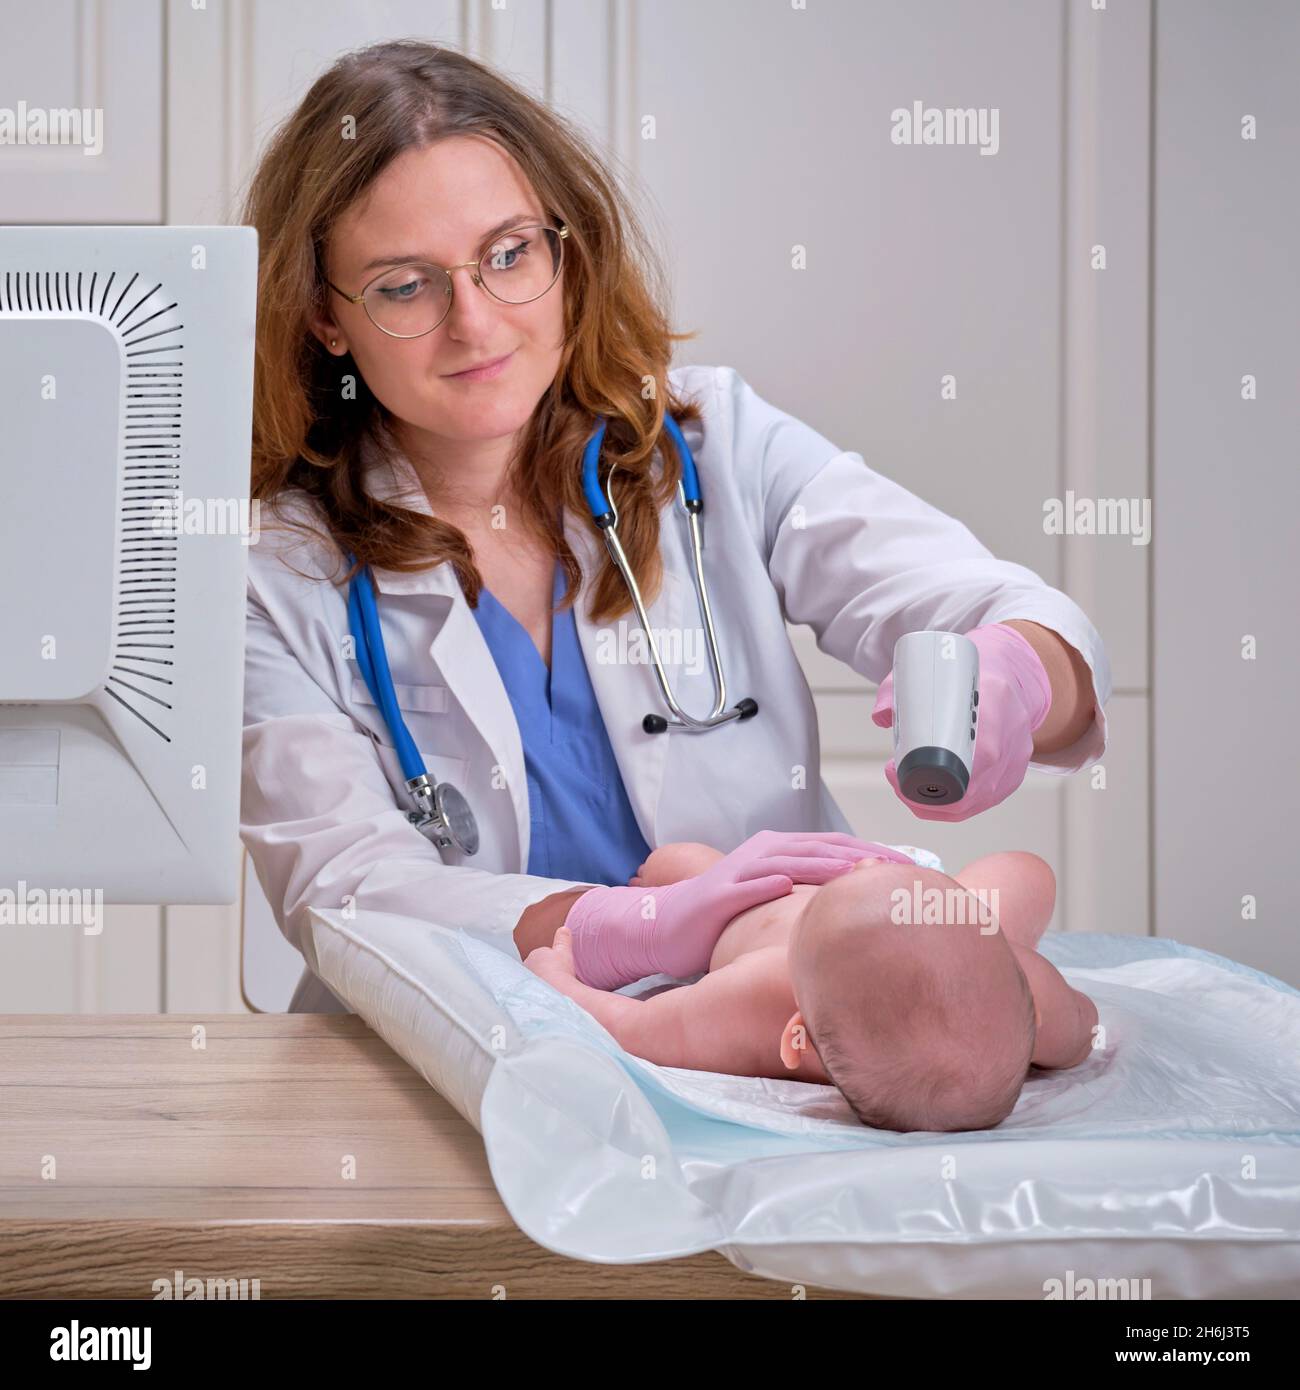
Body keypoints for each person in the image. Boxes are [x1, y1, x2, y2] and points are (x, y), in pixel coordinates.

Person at [239, 40, 1111, 1012]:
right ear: (323, 313)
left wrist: (1019, 675)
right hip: (463, 1042)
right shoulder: (280, 573)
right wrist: (622, 927)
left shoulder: (709, 447)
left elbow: (1001, 612)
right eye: (406, 285)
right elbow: (343, 888)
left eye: (508, 254)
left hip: (781, 1031)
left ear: (565, 248)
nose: (475, 323)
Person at [523, 840, 1099, 1134]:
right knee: (1026, 871)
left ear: (796, 1035)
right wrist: (1072, 1025)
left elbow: (631, 1027)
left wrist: (559, 980)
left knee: (680, 860)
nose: (862, 867)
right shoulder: (1025, 990)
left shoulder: (757, 996)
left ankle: (687, 877)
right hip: (928, 911)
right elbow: (1082, 1025)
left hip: (761, 893)